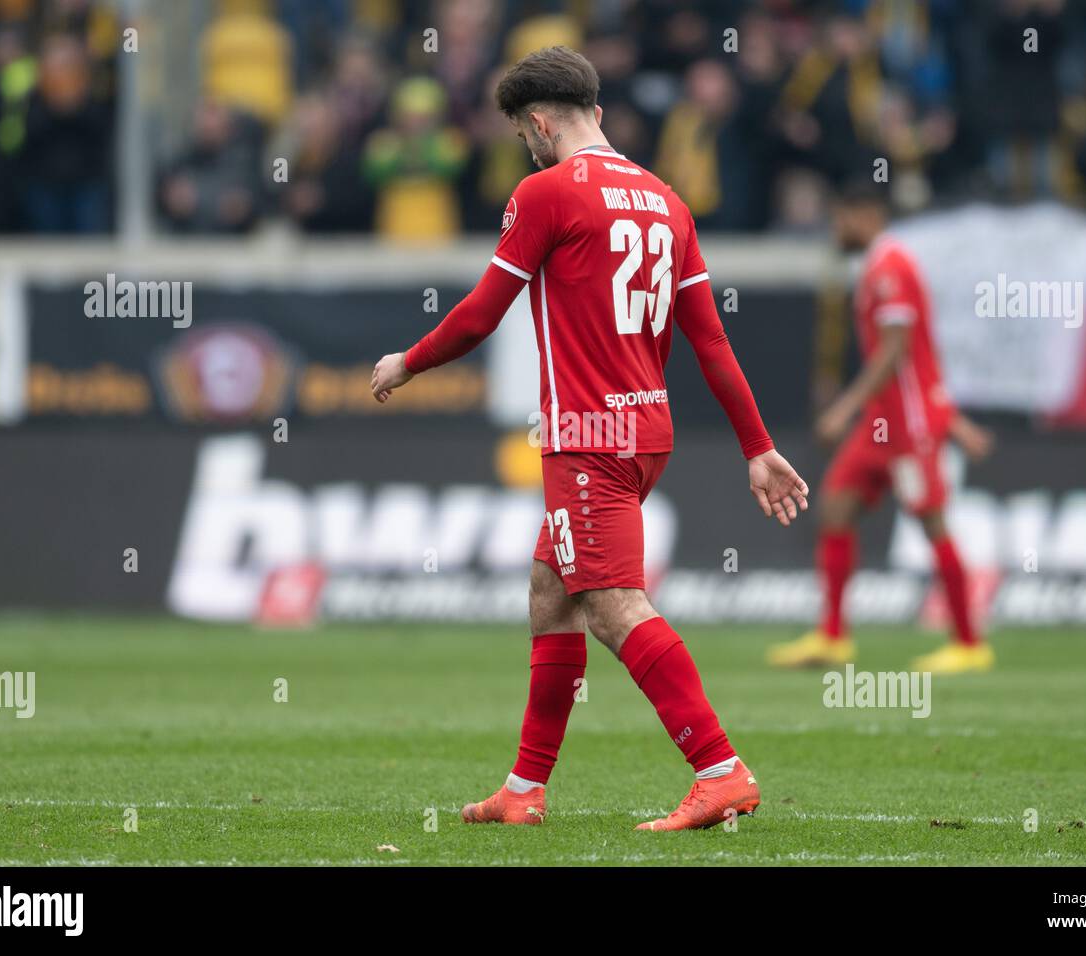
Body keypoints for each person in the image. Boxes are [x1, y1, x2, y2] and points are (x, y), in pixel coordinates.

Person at [372, 46, 808, 830]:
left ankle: (720, 770)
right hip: (645, 431)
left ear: (540, 124)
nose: (524, 148)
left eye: (521, 134)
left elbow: (481, 312)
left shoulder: (545, 193)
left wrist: (408, 361)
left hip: (588, 435)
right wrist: (756, 446)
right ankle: (523, 790)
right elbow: (712, 344)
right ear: (597, 112)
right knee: (552, 594)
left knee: (612, 605)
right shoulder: (667, 202)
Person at [767, 179, 995, 675]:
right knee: (835, 508)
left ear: (866, 215)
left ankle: (968, 643)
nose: (836, 229)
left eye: (841, 218)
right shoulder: (878, 266)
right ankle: (832, 637)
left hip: (906, 426)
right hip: (882, 424)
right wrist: (953, 419)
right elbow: (920, 357)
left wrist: (843, 409)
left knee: (931, 521)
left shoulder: (891, 267)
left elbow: (896, 350)